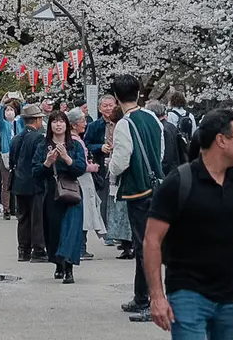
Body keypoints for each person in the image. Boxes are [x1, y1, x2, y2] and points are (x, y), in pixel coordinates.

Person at [142, 108, 233, 340]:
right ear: (221, 140)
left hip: (230, 296)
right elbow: (152, 240)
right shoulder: (179, 182)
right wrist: (157, 296)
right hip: (187, 292)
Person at [109, 73, 164, 318]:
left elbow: (121, 160)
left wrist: (111, 169)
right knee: (149, 243)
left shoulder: (125, 124)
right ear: (138, 93)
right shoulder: (152, 118)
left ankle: (149, 299)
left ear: (116, 97)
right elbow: (160, 151)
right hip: (157, 186)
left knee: (144, 245)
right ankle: (141, 296)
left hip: (138, 190)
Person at [35, 111, 87, 284]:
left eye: (61, 121)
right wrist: (47, 163)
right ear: (50, 125)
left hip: (72, 192)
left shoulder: (75, 145)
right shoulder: (43, 146)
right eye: (55, 122)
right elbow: (35, 172)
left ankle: (69, 268)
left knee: (71, 230)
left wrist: (66, 157)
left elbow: (81, 168)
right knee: (54, 230)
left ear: (67, 124)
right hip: (52, 193)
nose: (58, 125)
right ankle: (58, 263)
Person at [10, 103, 47, 262]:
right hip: (34, 182)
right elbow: (39, 160)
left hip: (19, 181)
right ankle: (38, 249)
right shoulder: (38, 137)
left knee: (23, 217)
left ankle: (23, 250)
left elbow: (12, 160)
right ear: (37, 120)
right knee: (37, 217)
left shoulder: (16, 138)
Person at [67, 107, 104, 259]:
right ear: (74, 124)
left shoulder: (73, 139)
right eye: (82, 121)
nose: (85, 123)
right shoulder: (75, 141)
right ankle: (81, 247)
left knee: (85, 213)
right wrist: (92, 167)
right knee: (84, 213)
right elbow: (79, 163)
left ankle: (81, 247)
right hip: (82, 180)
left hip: (81, 180)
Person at [85, 95, 119, 245]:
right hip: (102, 166)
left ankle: (119, 232)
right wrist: (100, 147)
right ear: (100, 108)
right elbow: (86, 144)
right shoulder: (94, 126)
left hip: (119, 164)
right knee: (104, 200)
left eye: (111, 105)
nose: (108, 108)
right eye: (105, 106)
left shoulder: (122, 123)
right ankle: (108, 233)